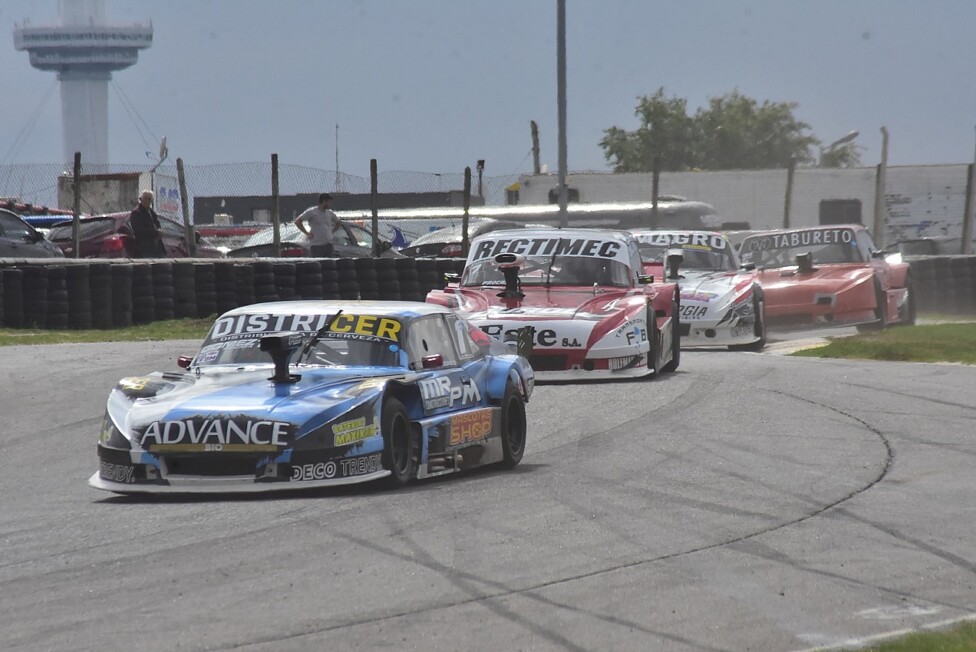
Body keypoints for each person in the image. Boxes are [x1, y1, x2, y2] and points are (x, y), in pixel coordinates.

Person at [294, 193, 342, 257]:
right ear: (324, 201)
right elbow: (298, 221)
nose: (331, 204)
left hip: (328, 245)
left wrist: (332, 232)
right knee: (318, 262)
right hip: (316, 246)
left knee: (329, 262)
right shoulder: (312, 212)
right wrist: (307, 233)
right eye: (329, 202)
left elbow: (338, 222)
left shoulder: (329, 213)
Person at [129, 189, 166, 258]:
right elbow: (138, 230)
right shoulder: (136, 213)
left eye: (149, 199)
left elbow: (157, 225)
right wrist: (156, 232)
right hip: (144, 247)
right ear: (140, 199)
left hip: (156, 245)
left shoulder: (152, 213)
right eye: (145, 198)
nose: (147, 201)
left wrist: (159, 233)